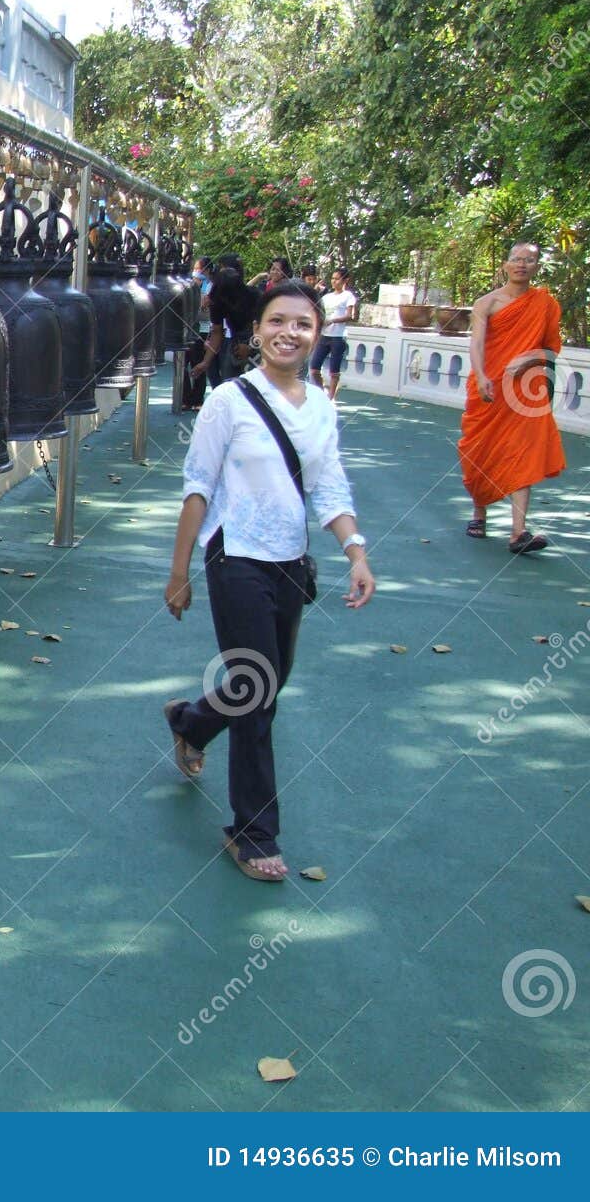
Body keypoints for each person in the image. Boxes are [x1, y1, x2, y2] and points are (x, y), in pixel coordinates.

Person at [163, 280, 375, 881]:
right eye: (277, 321)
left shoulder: (322, 408)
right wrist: (180, 572)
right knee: (256, 690)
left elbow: (329, 486)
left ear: (317, 334)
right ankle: (252, 831)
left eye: (302, 324)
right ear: (256, 331)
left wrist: (355, 551)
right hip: (234, 558)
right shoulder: (229, 400)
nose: (289, 332)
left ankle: (191, 721)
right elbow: (198, 485)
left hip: (290, 562)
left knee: (269, 681)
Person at [458, 242, 566, 553]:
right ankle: (480, 512)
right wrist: (481, 378)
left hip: (525, 389)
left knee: (523, 453)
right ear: (506, 265)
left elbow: (551, 349)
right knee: (480, 449)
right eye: (516, 259)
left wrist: (531, 356)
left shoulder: (545, 304)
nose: (521, 264)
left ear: (536, 267)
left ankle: (519, 532)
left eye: (529, 260)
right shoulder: (487, 303)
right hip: (488, 385)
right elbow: (476, 345)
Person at [193, 257, 258, 388]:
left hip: (260, 340)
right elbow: (217, 332)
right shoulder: (217, 303)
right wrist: (205, 362)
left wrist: (252, 347)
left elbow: (263, 327)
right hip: (236, 340)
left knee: (254, 384)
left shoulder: (255, 296)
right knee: (230, 383)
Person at [309, 269, 358, 399]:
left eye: (337, 278)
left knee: (334, 372)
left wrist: (333, 320)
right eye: (332, 278)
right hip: (324, 336)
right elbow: (317, 310)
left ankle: (331, 398)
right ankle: (322, 394)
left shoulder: (348, 296)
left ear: (345, 280)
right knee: (314, 369)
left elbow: (350, 316)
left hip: (338, 336)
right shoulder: (326, 297)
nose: (333, 281)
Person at [182, 256, 214, 411]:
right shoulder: (188, 285)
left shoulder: (211, 287)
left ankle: (197, 399)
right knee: (183, 363)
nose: (196, 272)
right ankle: (185, 398)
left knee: (198, 364)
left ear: (206, 270)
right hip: (187, 328)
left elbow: (205, 309)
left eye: (198, 268)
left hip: (203, 330)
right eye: (194, 268)